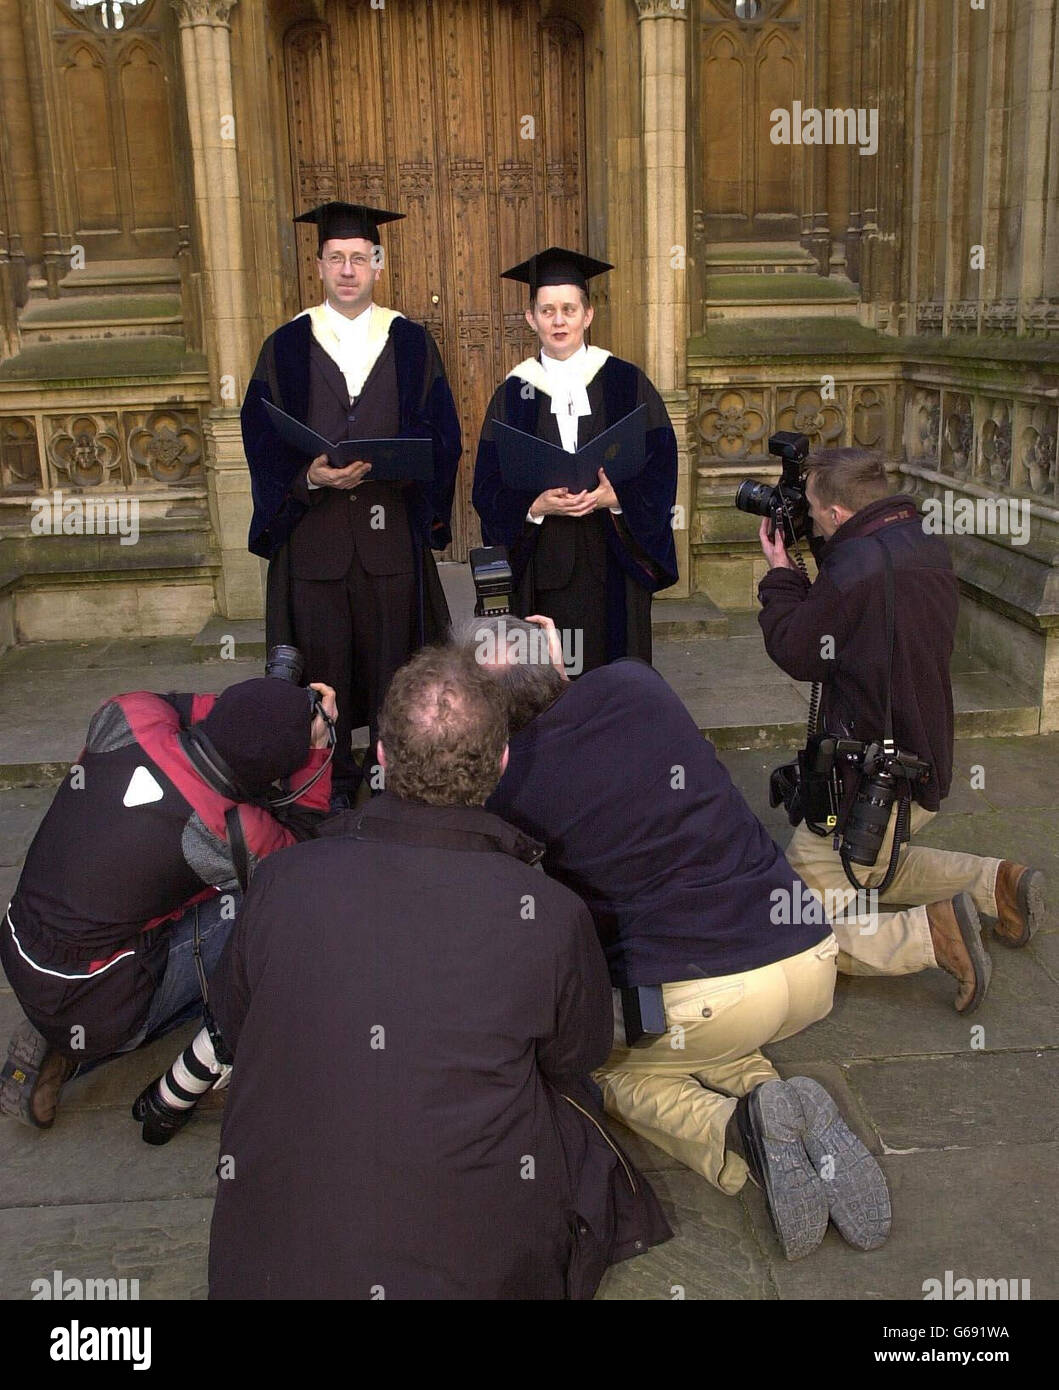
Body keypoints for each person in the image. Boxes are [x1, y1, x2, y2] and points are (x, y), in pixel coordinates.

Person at [206, 647, 670, 1300]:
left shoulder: (280, 878)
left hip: (265, 1272)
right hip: (478, 1270)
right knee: (571, 1109)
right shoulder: (551, 913)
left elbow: (233, 1020)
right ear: (502, 761)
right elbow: (578, 1055)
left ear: (384, 759)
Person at [469, 614, 890, 1263]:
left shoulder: (509, 781)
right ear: (556, 654)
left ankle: (733, 1132)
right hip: (809, 957)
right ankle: (766, 1095)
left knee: (596, 1064)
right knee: (693, 1014)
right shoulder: (637, 685)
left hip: (699, 993)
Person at [757, 447, 1045, 1014]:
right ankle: (997, 885)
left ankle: (930, 938)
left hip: (865, 779)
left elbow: (798, 647)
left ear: (839, 513)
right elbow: (863, 610)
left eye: (814, 511)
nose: (809, 518)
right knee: (874, 866)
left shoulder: (856, 570)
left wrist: (779, 577)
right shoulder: (924, 544)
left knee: (783, 922)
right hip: (919, 763)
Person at [0, 677, 335, 1130]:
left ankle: (61, 1030)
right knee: (265, 910)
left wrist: (262, 708)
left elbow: (185, 707)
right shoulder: (230, 830)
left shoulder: (126, 715)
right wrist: (316, 750)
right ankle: (80, 1042)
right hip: (97, 991)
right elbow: (301, 859)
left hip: (22, 942)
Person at [241, 201, 462, 803]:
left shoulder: (411, 342)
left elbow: (444, 433)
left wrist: (413, 476)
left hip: (388, 539)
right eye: (336, 258)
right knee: (322, 669)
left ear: (378, 265)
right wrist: (307, 477)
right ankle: (324, 784)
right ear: (318, 266)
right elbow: (260, 436)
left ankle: (391, 778)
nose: (347, 269)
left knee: (397, 668)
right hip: (315, 542)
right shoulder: (285, 346)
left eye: (359, 258)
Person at [472, 247, 677, 673]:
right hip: (544, 567)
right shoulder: (514, 394)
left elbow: (662, 466)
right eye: (547, 310)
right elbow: (487, 487)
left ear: (588, 315)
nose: (558, 320)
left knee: (613, 680)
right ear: (531, 318)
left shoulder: (626, 382)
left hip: (613, 562)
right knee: (549, 684)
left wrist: (615, 498)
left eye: (569, 309)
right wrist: (533, 507)